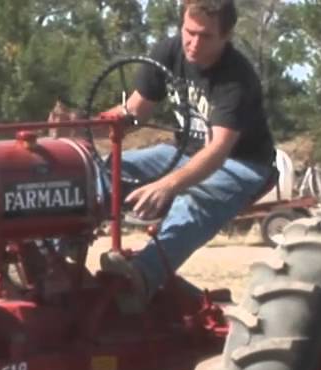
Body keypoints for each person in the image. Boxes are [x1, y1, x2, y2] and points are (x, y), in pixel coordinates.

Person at [96, 0, 275, 312]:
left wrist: (167, 185)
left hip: (241, 164)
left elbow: (218, 151)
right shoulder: (169, 51)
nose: (193, 43)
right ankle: (47, 258)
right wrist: (81, 127)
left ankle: (140, 277)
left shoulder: (236, 79)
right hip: (183, 152)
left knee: (192, 200)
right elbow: (135, 112)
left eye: (205, 37)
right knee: (100, 169)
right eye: (189, 32)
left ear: (227, 36)